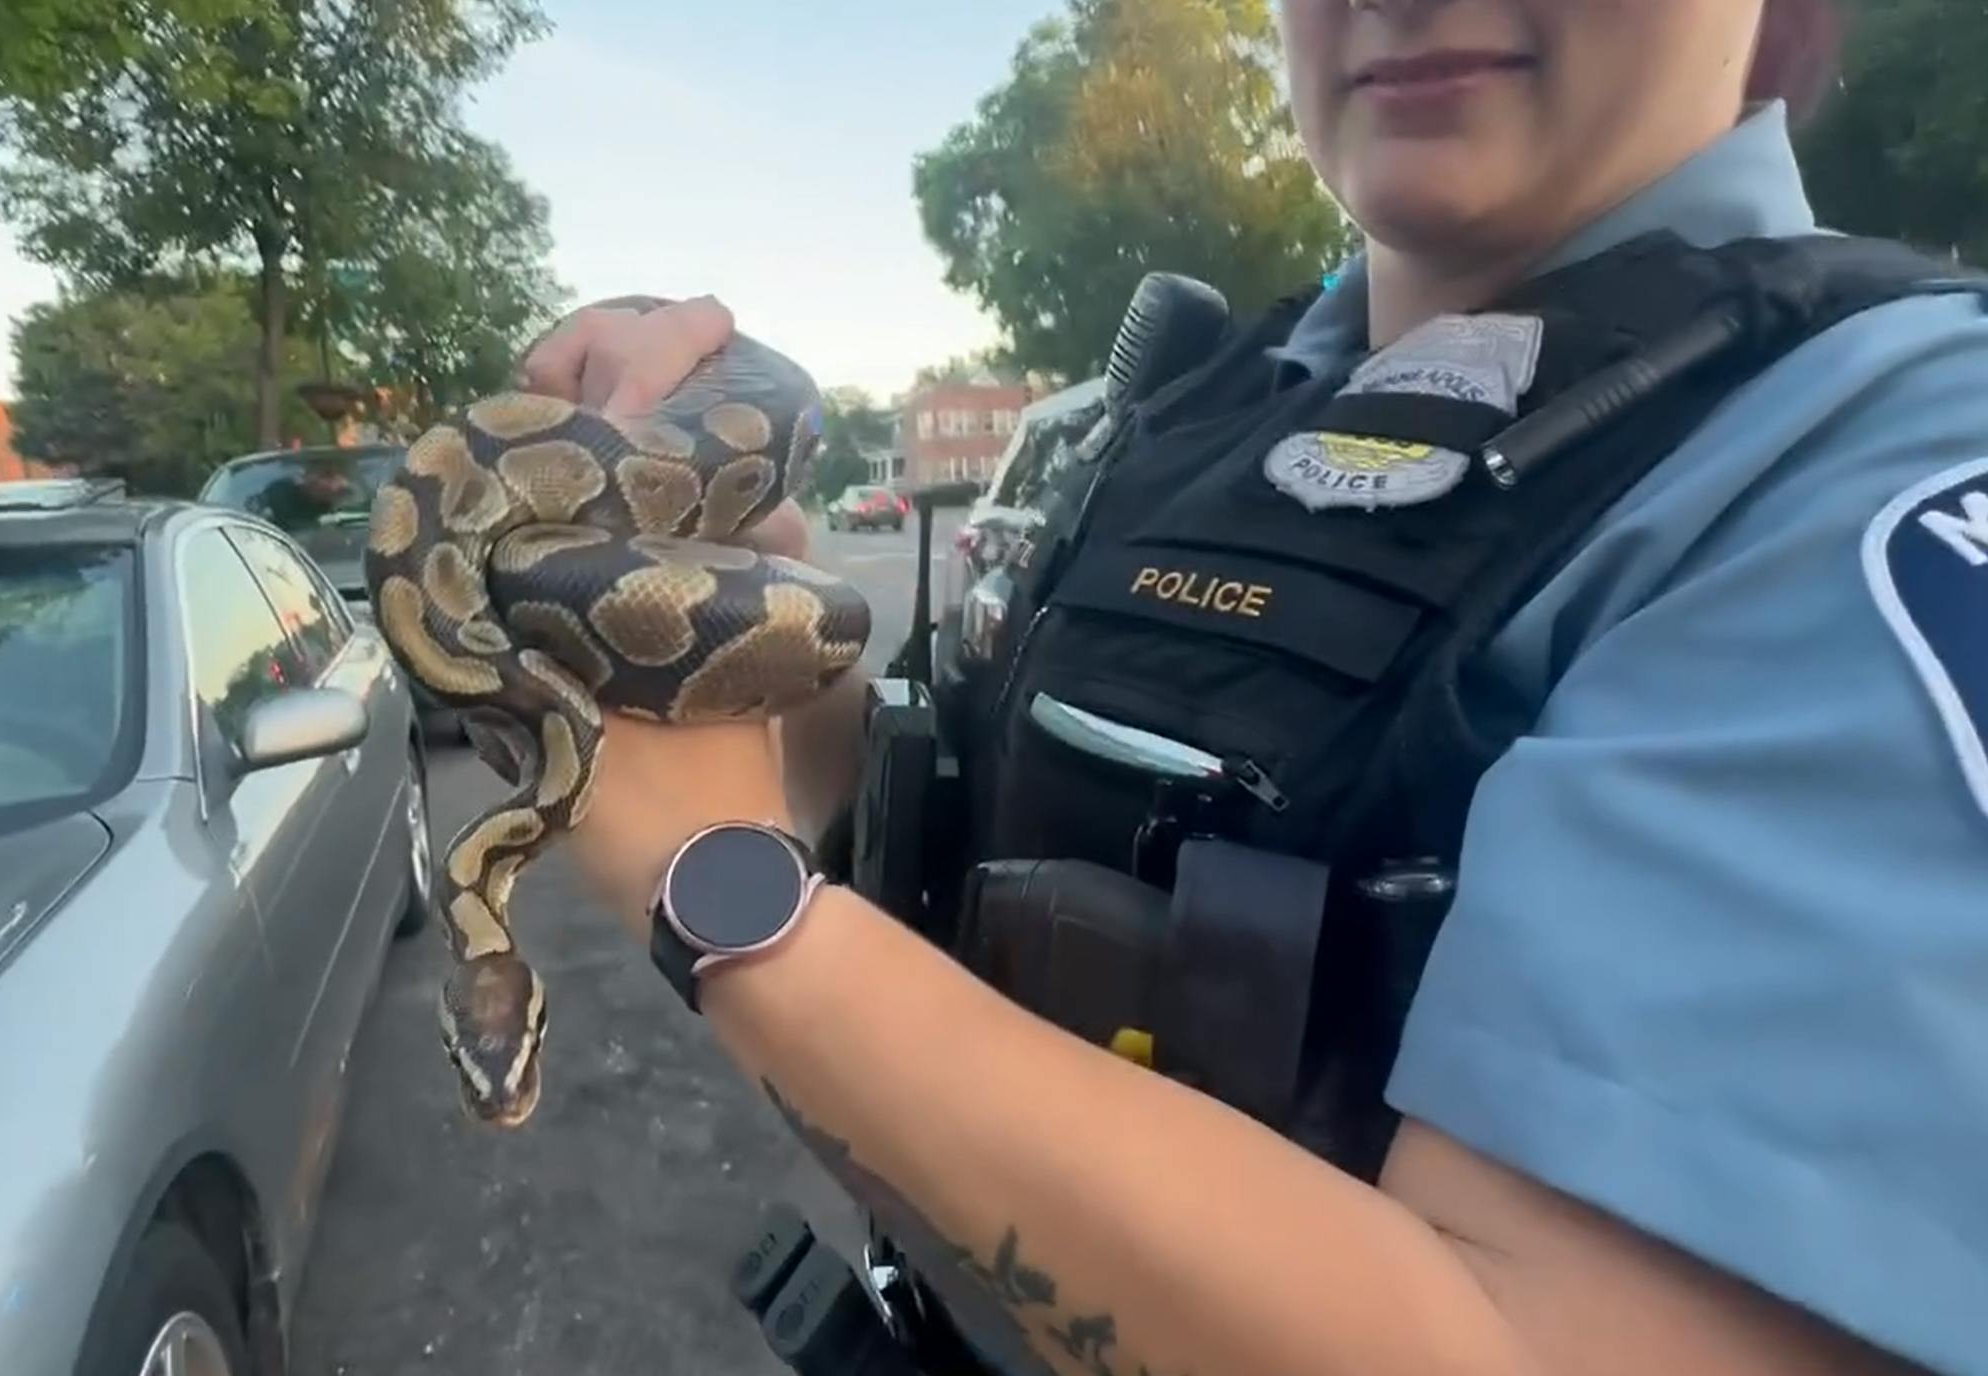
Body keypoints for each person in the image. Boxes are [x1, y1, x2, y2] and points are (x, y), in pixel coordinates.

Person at [512, 2, 1987, 1373]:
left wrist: (721, 897)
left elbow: (1539, 1339)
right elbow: (928, 801)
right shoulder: (1180, 405)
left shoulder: (1884, 463)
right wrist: (690, 585)